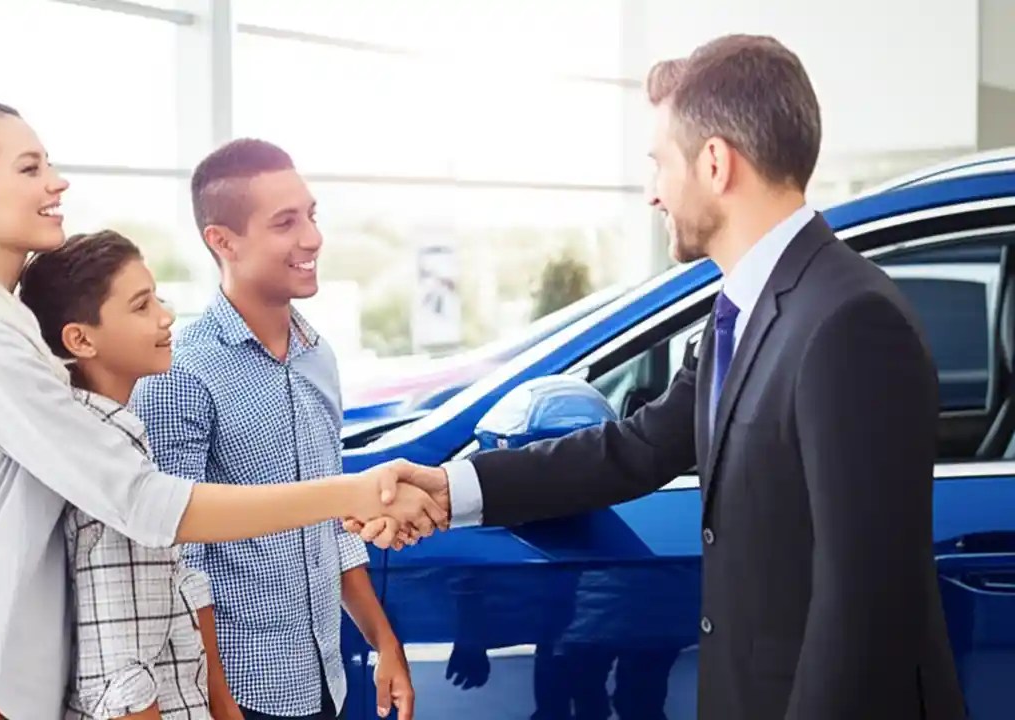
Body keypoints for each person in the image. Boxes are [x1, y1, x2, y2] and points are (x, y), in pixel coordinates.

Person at [355, 34, 968, 720]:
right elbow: (636, 449)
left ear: (713, 163)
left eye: (658, 163)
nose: (652, 193)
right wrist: (449, 487)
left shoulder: (849, 323)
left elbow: (863, 608)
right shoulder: (746, 308)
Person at [0, 100, 445, 720]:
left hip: (5, 682)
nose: (55, 182)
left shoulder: (3, 326)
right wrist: (350, 494)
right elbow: (144, 506)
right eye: (30, 168)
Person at [132, 139, 414, 720]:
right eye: (286, 222)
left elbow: (333, 521)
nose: (312, 238)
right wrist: (217, 701)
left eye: (311, 216)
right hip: (242, 691)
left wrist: (382, 641)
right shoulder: (178, 373)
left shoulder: (318, 356)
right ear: (223, 240)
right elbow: (176, 558)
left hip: (321, 680)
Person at [17, 229, 232, 720]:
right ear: (80, 338)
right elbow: (120, 673)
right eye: (141, 306)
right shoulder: (107, 450)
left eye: (157, 296)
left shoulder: (99, 433)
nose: (166, 315)